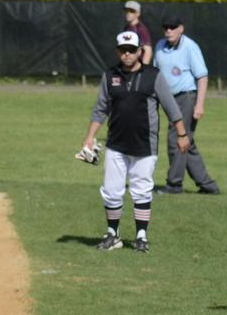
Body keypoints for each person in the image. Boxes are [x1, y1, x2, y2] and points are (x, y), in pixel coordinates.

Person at [80, 33, 192, 253]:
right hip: (116, 143)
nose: (127, 53)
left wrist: (182, 134)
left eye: (132, 49)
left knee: (141, 190)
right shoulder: (109, 75)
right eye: (123, 50)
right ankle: (113, 233)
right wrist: (89, 137)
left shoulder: (153, 75)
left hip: (145, 144)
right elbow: (100, 108)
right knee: (111, 191)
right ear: (117, 51)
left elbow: (170, 106)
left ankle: (141, 235)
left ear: (140, 51)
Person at [152, 16, 218, 195]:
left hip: (186, 97)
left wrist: (199, 104)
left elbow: (202, 77)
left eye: (173, 27)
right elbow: (156, 74)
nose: (169, 31)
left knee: (177, 138)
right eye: (166, 27)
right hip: (168, 99)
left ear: (181, 28)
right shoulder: (160, 46)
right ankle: (208, 184)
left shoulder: (190, 47)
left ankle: (174, 184)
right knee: (187, 142)